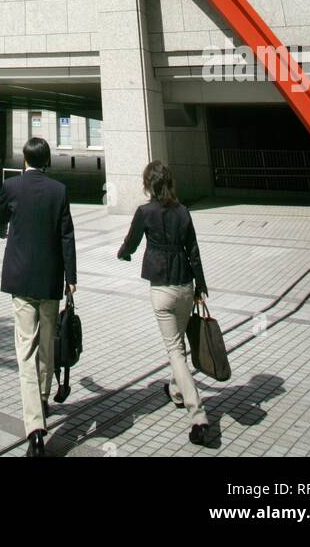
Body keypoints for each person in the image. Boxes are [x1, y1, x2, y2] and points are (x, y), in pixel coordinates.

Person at [117, 159, 212, 446]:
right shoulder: (182, 212)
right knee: (178, 345)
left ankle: (197, 414)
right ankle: (176, 390)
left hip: (161, 288)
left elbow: (131, 242)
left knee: (175, 350)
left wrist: (123, 253)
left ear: (148, 185)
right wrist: (201, 287)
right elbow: (193, 250)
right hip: (185, 285)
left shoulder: (145, 212)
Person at [0, 136, 77, 457]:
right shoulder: (59, 191)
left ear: (24, 160)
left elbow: (0, 216)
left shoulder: (11, 186)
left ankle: (35, 430)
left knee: (26, 352)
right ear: (47, 161)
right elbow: (67, 236)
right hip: (50, 281)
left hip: (20, 279)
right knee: (46, 348)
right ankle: (43, 399)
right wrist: (71, 278)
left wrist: (2, 230)